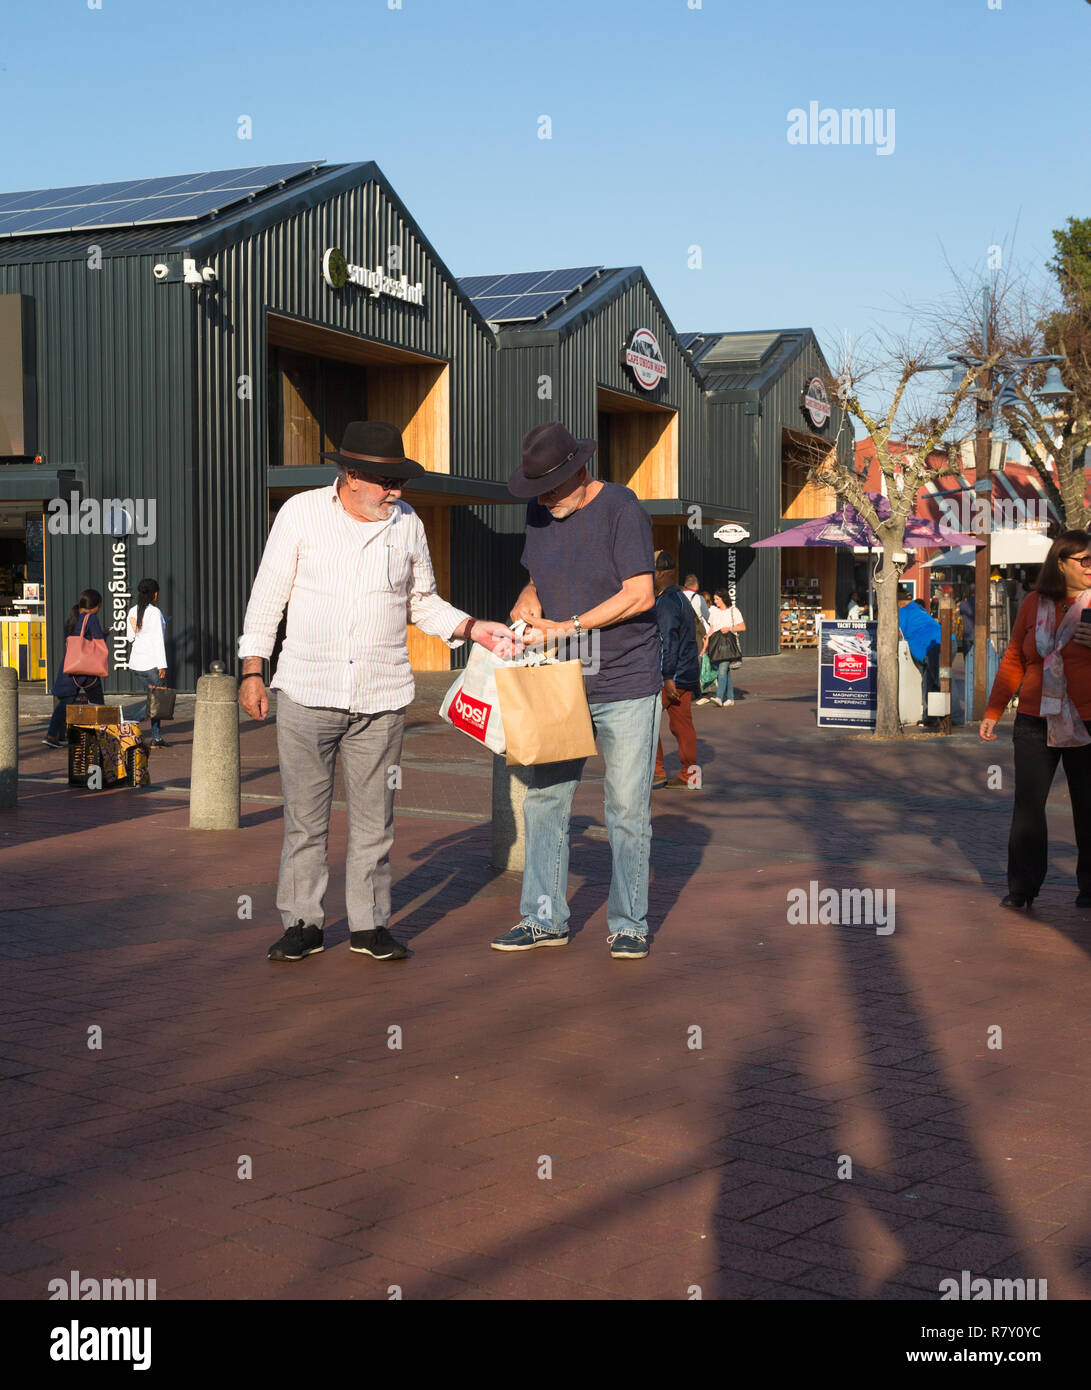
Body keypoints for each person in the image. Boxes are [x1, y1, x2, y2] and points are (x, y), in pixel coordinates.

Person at [238, 420, 516, 965]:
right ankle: (302, 922)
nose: (396, 492)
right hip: (306, 690)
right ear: (350, 476)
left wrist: (472, 627)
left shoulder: (407, 524)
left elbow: (422, 602)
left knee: (374, 823)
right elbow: (267, 597)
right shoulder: (300, 514)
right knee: (304, 821)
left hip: (381, 696)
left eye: (400, 482)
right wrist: (253, 670)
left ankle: (369, 925)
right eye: (387, 482)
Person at [495, 421, 661, 960]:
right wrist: (528, 600)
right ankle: (544, 918)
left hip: (625, 680)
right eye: (537, 488)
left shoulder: (622, 508)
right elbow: (535, 579)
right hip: (559, 680)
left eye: (553, 486)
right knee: (544, 801)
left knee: (626, 807)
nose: (544, 498)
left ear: (581, 472)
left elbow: (640, 594)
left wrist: (571, 626)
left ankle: (630, 922)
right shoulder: (539, 511)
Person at [980, 530, 1091, 910]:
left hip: (1086, 720)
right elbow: (1014, 658)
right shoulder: (1033, 603)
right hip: (1033, 719)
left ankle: (1090, 888)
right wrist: (993, 711)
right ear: (1060, 563)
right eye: (1085, 560)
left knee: (1088, 807)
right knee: (1028, 807)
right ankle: (1022, 888)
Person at [652, 551, 701, 789]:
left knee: (647, 723)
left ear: (660, 573)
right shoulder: (682, 599)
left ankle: (657, 771)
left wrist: (667, 676)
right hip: (687, 673)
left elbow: (667, 641)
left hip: (671, 676)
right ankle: (690, 776)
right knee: (683, 726)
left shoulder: (666, 602)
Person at [43, 589, 107, 747]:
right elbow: (98, 639)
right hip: (87, 670)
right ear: (96, 605)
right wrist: (106, 634)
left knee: (65, 702)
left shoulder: (73, 617)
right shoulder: (91, 618)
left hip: (71, 667)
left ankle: (51, 735)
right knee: (97, 702)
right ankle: (100, 736)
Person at [126, 578, 169, 748]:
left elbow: (130, 637)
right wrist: (162, 665)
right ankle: (130, 721)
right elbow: (158, 640)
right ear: (154, 593)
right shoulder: (154, 612)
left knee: (154, 701)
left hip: (137, 663)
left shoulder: (132, 611)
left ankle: (157, 737)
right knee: (155, 702)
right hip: (152, 663)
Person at [897, 585, 941, 729]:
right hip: (945, 641)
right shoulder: (918, 609)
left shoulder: (902, 612)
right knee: (930, 682)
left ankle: (944, 718)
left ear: (899, 602)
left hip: (933, 646)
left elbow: (896, 633)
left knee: (937, 681)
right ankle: (932, 717)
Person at [699, 587, 746, 706]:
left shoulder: (733, 611)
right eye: (714, 599)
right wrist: (706, 643)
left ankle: (719, 697)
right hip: (716, 646)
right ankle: (730, 698)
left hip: (727, 645)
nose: (715, 601)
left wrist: (729, 628)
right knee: (726, 672)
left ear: (723, 598)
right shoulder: (714, 612)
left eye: (717, 599)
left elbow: (742, 627)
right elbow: (711, 628)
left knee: (722, 670)